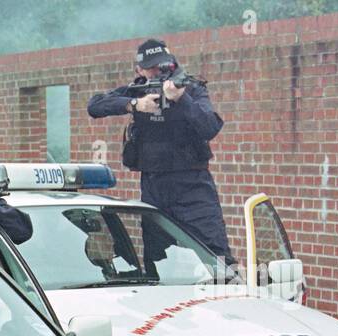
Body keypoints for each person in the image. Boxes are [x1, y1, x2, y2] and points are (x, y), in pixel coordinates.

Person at [88, 39, 231, 261]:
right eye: (152, 67)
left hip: (192, 185)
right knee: (157, 260)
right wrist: (135, 105)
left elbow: (210, 127)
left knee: (217, 256)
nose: (158, 72)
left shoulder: (191, 90)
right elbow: (94, 106)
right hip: (154, 185)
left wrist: (181, 100)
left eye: (163, 66)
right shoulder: (137, 91)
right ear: (140, 70)